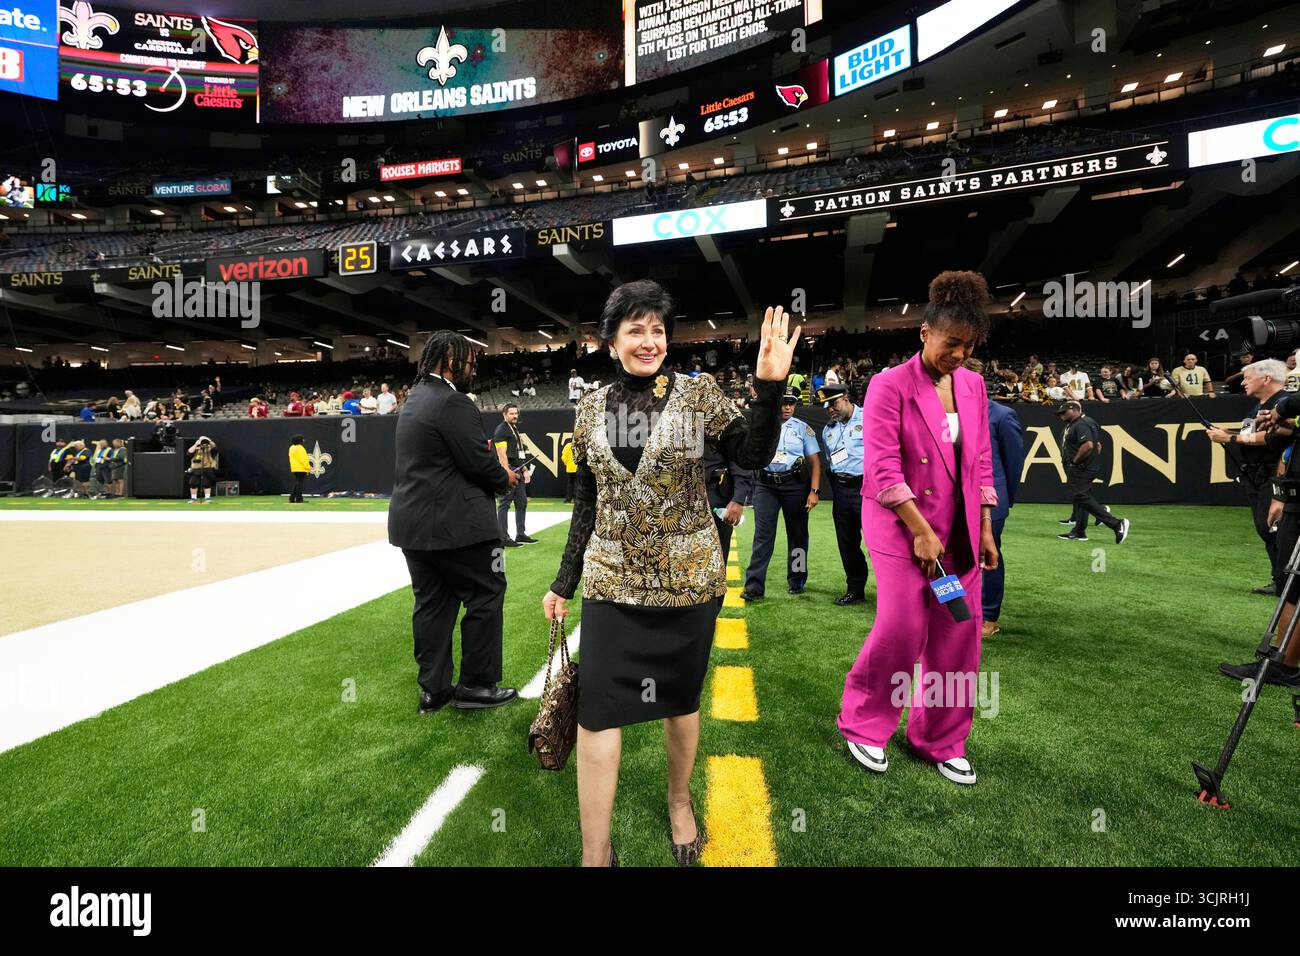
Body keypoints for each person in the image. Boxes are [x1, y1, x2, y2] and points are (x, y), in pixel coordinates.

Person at [542, 281, 792, 868]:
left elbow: (751, 454)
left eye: (658, 329)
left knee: (679, 702)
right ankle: (595, 854)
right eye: (635, 329)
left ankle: (680, 801)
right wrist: (563, 581)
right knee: (598, 712)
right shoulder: (586, 408)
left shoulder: (699, 393)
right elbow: (586, 502)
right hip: (611, 582)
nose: (649, 340)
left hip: (688, 582)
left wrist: (769, 388)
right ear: (611, 343)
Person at [838, 271, 999, 786]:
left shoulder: (974, 385)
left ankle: (941, 738)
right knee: (904, 625)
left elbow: (980, 463)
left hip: (960, 531)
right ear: (925, 333)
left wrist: (987, 527)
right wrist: (919, 529)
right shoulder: (888, 385)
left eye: (968, 346)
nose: (960, 354)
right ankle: (863, 724)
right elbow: (883, 468)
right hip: (895, 523)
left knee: (960, 635)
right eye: (952, 343)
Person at [388, 330, 520, 714]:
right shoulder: (453, 402)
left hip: (413, 527)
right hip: (458, 527)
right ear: (449, 361)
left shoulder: (414, 399)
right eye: (468, 361)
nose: (473, 368)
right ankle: (477, 686)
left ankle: (434, 690)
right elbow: (479, 464)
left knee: (432, 604)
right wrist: (505, 478)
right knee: (485, 595)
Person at [1219, 394, 1300, 688]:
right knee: (1287, 578)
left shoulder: (1285, 401)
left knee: (1291, 581)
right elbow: (1288, 441)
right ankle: (1285, 662)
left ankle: (1285, 666)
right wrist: (1280, 493)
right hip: (1292, 492)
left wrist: (1281, 409)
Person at [1206, 359, 1289, 594]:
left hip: (1273, 473)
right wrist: (1226, 434)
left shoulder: (1284, 403)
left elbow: (1275, 437)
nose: (1242, 382)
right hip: (1255, 473)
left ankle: (1286, 582)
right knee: (1265, 528)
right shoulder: (1256, 406)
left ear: (1266, 379)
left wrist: (1229, 438)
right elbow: (1249, 433)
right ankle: (1280, 579)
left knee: (1274, 527)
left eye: (1247, 377)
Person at [740, 389, 821, 600]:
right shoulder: (763, 427)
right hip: (765, 486)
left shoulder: (803, 429)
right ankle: (754, 586)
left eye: (791, 403)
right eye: (784, 402)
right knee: (762, 536)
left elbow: (814, 462)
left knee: (798, 535)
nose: (787, 407)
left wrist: (814, 491)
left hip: (795, 486)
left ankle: (797, 579)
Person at [969, 359, 1024, 637]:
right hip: (958, 499)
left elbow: (1014, 464)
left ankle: (989, 614)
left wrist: (1004, 501)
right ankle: (956, 610)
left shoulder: (1002, 415)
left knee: (987, 553)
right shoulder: (949, 413)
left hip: (992, 500)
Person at [817, 383, 869, 605]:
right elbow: (830, 459)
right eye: (826, 406)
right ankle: (855, 588)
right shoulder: (828, 430)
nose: (830, 409)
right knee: (847, 543)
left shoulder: (870, 418)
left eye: (834, 403)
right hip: (842, 490)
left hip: (868, 489)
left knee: (880, 542)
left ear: (846, 398)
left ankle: (892, 591)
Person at [1056, 401, 1129, 543]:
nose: (1061, 416)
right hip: (1086, 466)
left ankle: (1116, 523)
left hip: (1080, 468)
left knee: (1081, 496)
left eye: (1064, 412)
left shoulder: (1081, 423)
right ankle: (1079, 532)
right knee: (1081, 498)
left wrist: (1075, 461)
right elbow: (1097, 445)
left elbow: (1089, 445)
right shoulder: (1084, 422)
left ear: (1074, 409)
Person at [493, 403, 535, 546]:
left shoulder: (514, 429)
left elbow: (518, 452)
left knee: (521, 503)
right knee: (504, 504)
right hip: (509, 470)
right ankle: (503, 537)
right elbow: (501, 453)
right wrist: (506, 472)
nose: (515, 416)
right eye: (511, 413)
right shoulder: (501, 430)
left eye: (516, 413)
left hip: (518, 469)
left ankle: (520, 534)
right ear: (504, 414)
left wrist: (525, 470)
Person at [186, 437, 219, 502]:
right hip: (196, 467)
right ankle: (193, 498)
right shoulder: (196, 448)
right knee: (193, 483)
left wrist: (209, 441)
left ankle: (207, 498)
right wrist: (196, 444)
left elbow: (215, 449)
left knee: (207, 483)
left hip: (207, 467)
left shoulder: (209, 447)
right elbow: (189, 453)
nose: (203, 442)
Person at [288, 435, 310, 503]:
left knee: (297, 483)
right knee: (299, 484)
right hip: (301, 468)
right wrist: (308, 468)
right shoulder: (300, 448)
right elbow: (303, 459)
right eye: (302, 439)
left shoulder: (291, 448)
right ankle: (299, 499)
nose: (303, 441)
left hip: (294, 468)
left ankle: (292, 498)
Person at [560, 435, 577, 503]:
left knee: (570, 483)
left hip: (570, 468)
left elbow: (563, 457)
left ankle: (568, 498)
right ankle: (576, 499)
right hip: (579, 468)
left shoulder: (568, 446)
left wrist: (567, 463)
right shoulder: (580, 446)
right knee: (578, 484)